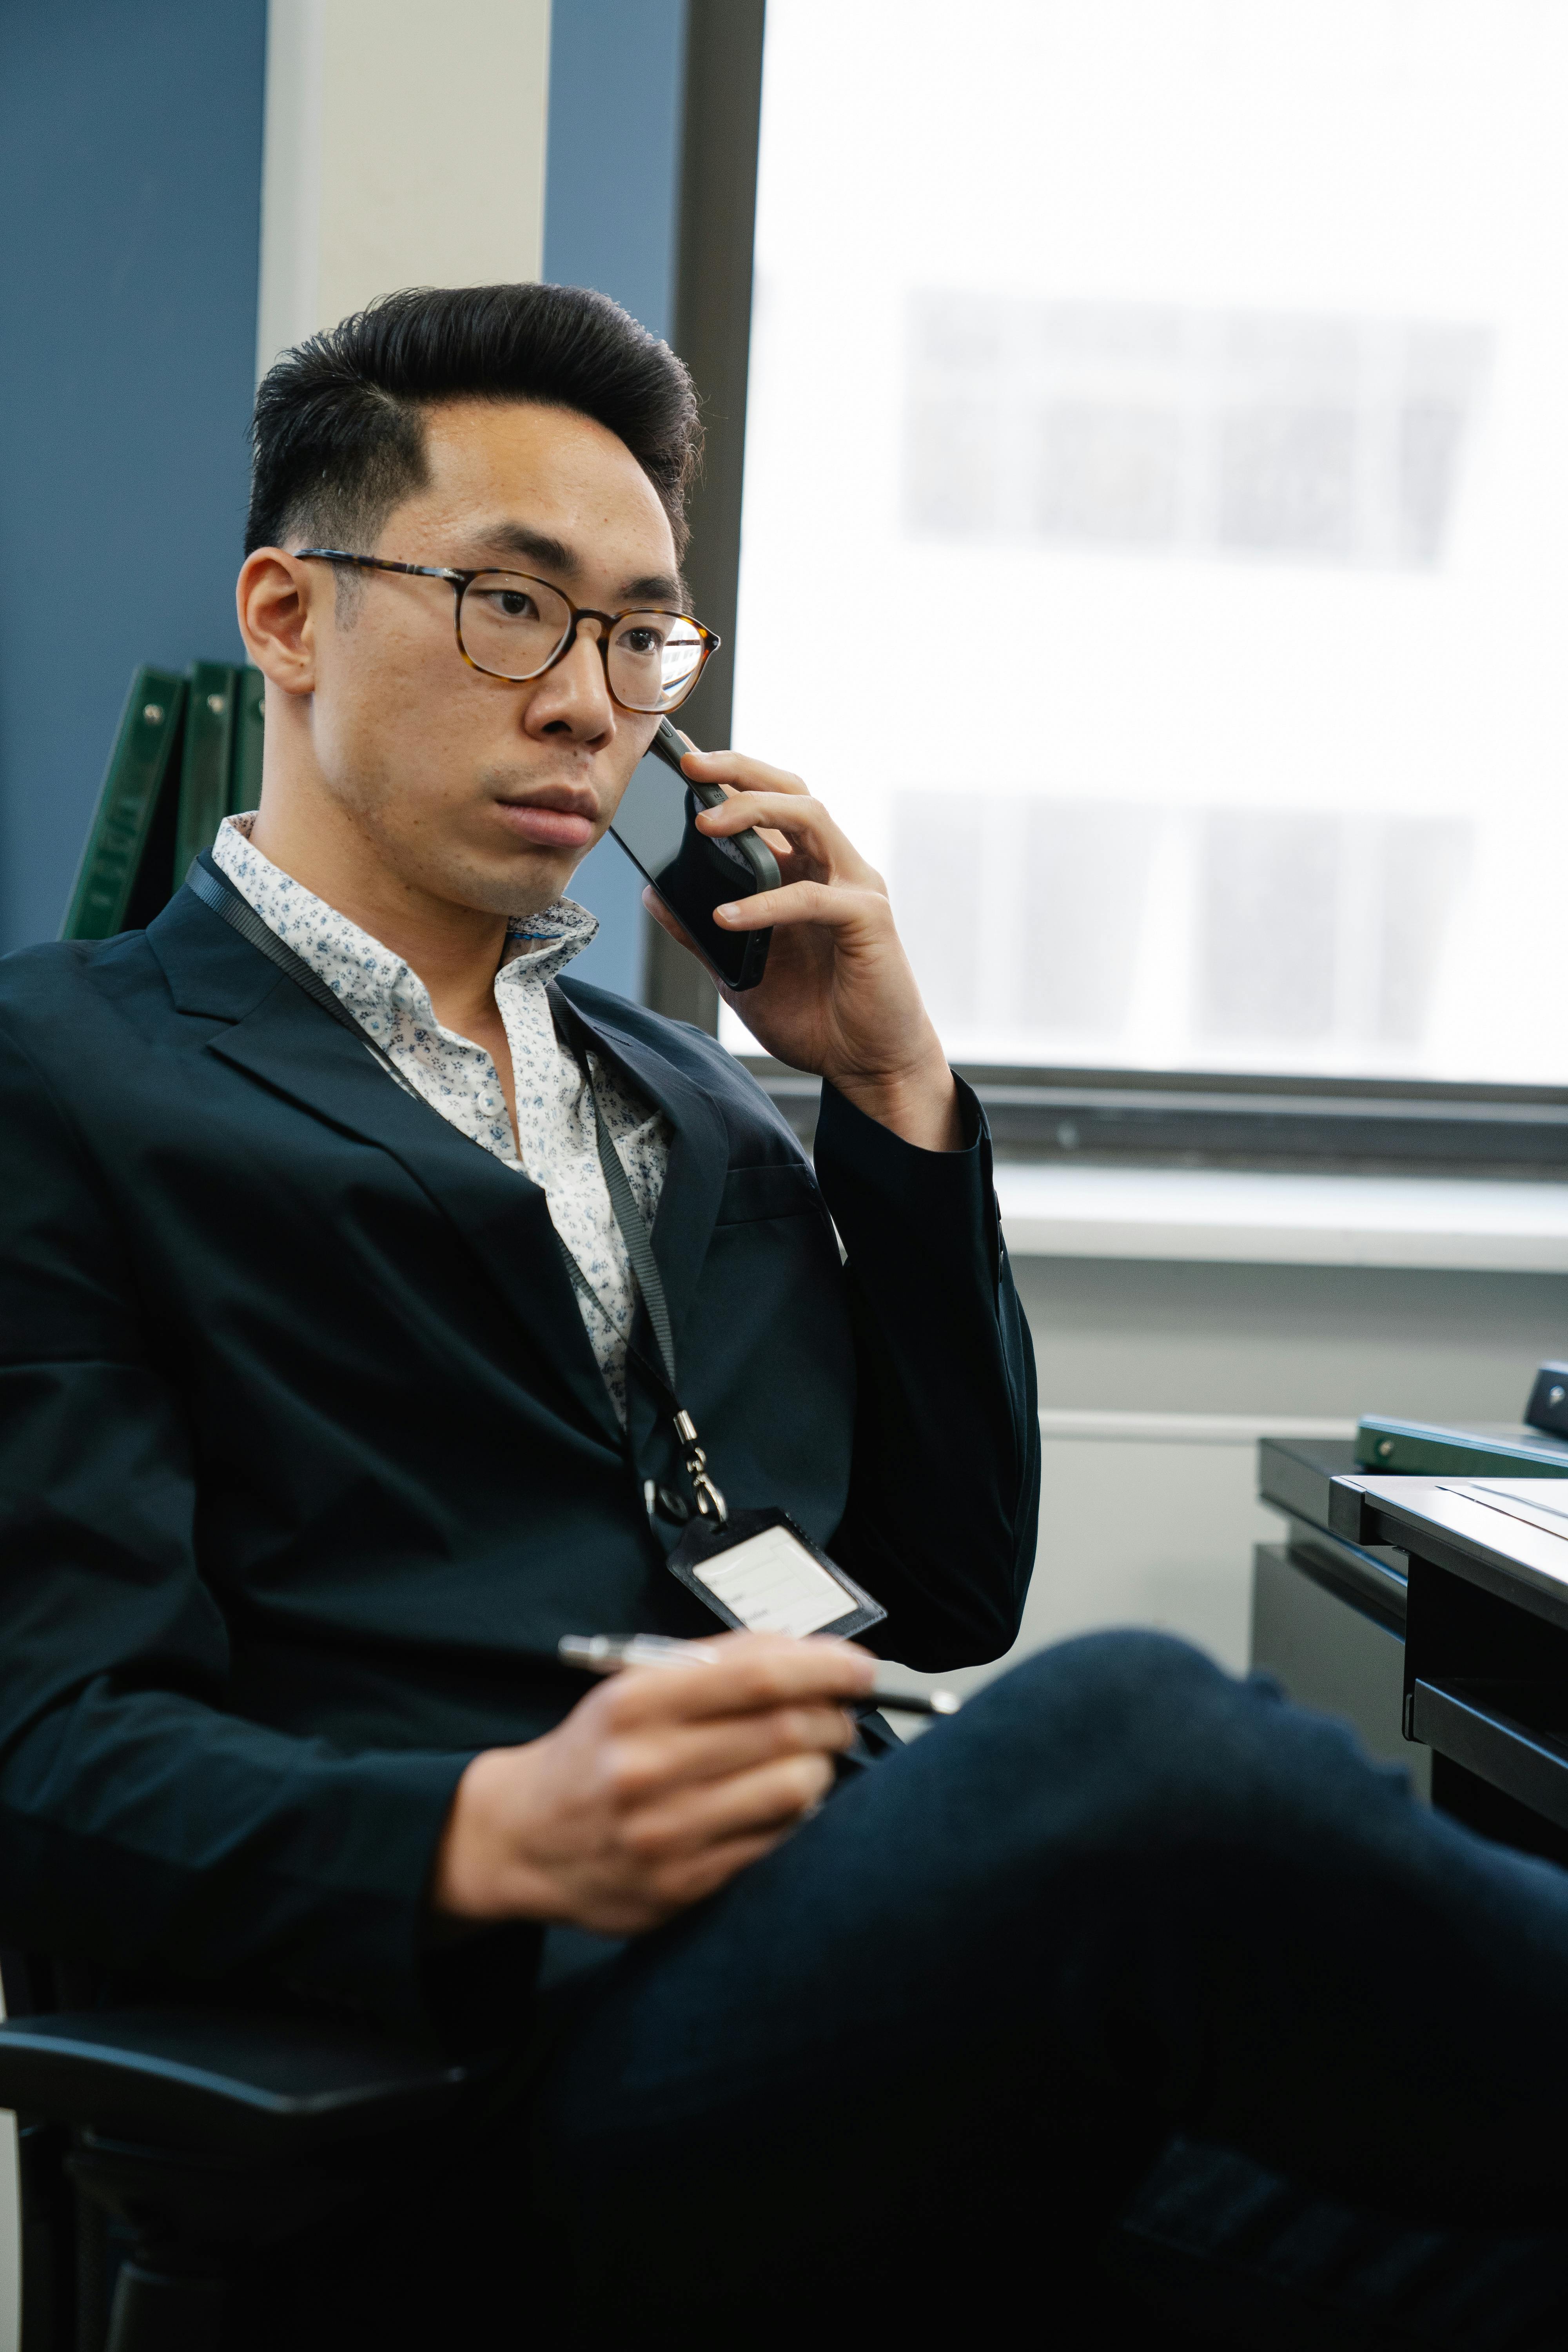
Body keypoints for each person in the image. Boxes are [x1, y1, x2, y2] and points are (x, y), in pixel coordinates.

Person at [3, 283, 1568, 2349]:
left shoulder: (692, 1098)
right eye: (511, 606)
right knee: (1133, 1735)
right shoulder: (73, 1076)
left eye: (643, 636)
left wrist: (893, 1098)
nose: (590, 700)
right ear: (290, 615)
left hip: (851, 2017)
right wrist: (481, 1829)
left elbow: (938, 1582)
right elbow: (50, 1750)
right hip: (474, 2097)